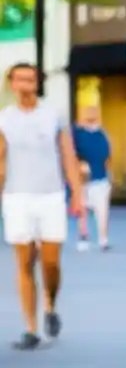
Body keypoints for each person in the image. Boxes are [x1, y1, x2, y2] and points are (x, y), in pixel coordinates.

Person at [0, 63, 85, 350]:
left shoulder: (53, 115)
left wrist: (77, 193)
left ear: (37, 83)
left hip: (51, 195)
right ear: (12, 84)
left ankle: (50, 304)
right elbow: (0, 160)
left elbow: (68, 155)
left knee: (50, 264)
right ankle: (31, 328)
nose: (26, 84)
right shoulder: (4, 119)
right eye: (20, 79)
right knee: (24, 263)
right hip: (17, 196)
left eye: (31, 79)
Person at [72, 105, 112, 252]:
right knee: (84, 209)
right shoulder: (77, 133)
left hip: (99, 178)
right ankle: (85, 236)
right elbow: (71, 153)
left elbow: (107, 156)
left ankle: (102, 238)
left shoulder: (101, 134)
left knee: (100, 210)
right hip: (84, 179)